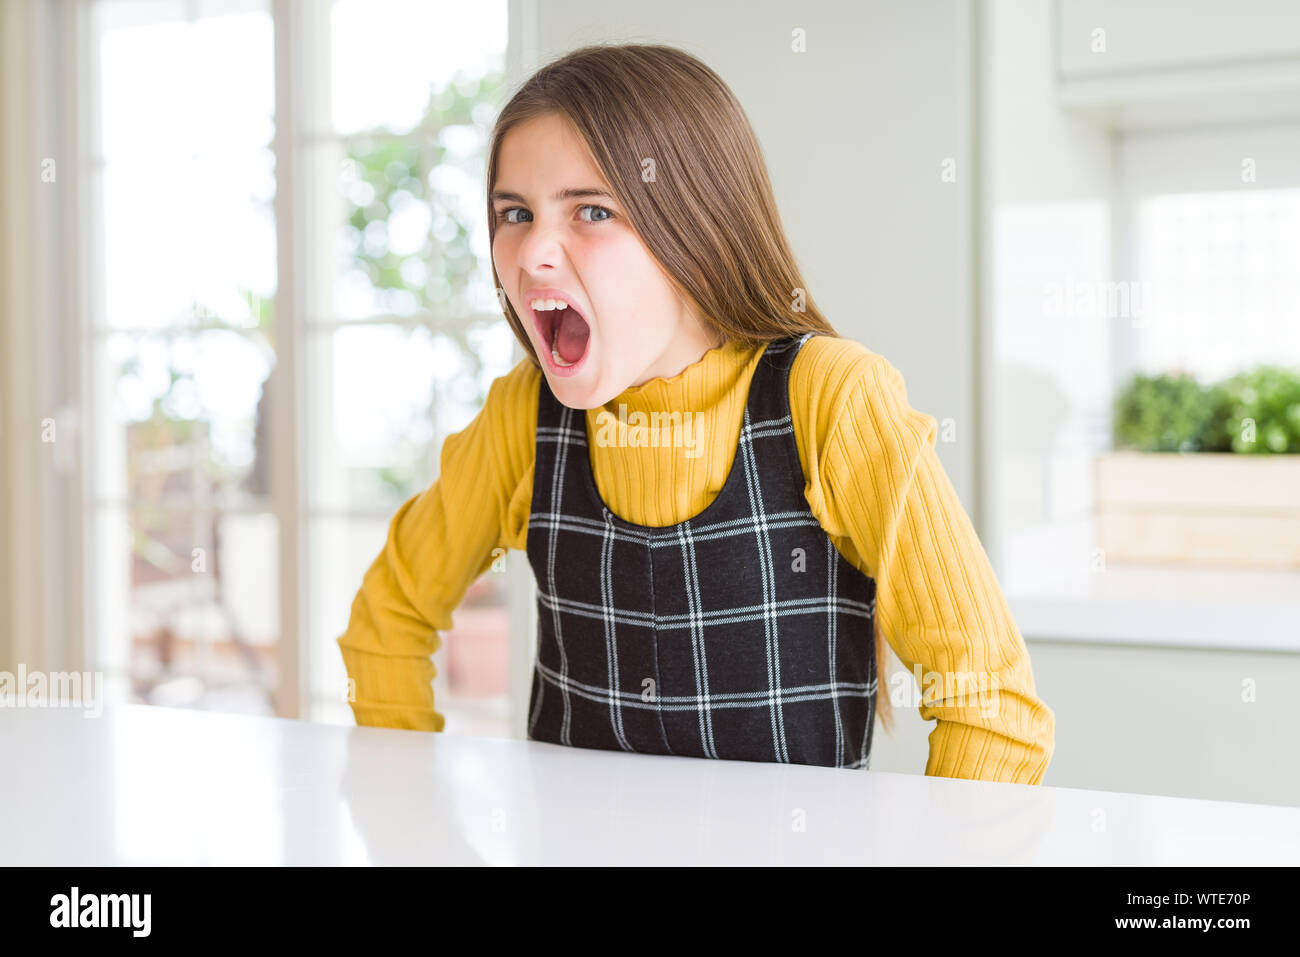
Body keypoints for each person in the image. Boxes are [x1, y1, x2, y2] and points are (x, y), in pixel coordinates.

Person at [336, 43, 1054, 780]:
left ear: (696, 224)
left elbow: (989, 702)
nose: (531, 255)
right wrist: (409, 817)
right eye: (514, 213)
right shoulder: (525, 415)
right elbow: (385, 623)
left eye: (591, 210)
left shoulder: (831, 397)